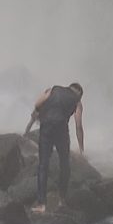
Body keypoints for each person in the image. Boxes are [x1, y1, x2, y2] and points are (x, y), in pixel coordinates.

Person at [26, 79, 85, 208]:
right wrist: (81, 149)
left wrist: (29, 128)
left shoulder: (53, 90)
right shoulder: (77, 101)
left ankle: (41, 204)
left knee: (43, 165)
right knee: (64, 163)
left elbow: (37, 104)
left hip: (46, 126)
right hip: (61, 129)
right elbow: (78, 125)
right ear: (79, 94)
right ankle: (61, 199)